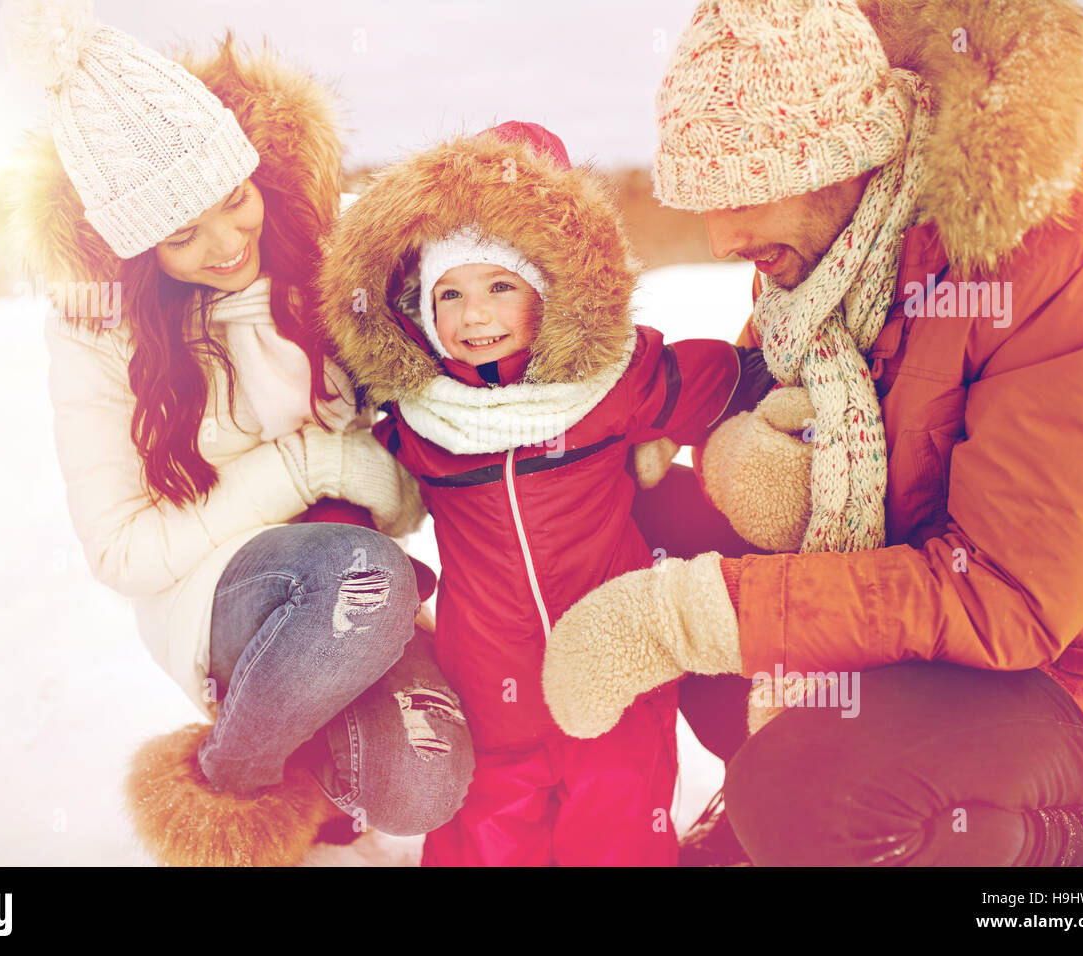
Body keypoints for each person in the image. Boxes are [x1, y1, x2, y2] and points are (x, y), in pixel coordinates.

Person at [546, 0, 1083, 866]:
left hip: (1073, 667)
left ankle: (1068, 860)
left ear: (844, 159)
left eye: (747, 193)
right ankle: (772, 791)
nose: (724, 237)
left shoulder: (1075, 254)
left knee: (803, 795)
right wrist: (658, 436)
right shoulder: (831, 258)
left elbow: (1007, 603)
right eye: (707, 201)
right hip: (910, 600)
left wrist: (688, 616)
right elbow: (760, 406)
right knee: (629, 520)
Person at [2, 0, 473, 866]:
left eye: (234, 199)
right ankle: (234, 775)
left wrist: (362, 470)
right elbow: (122, 554)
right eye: (181, 235)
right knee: (361, 573)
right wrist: (305, 465)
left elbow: (406, 487)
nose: (226, 244)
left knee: (425, 782)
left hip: (360, 566)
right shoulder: (98, 331)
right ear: (138, 250)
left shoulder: (329, 276)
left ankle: (318, 748)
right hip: (213, 591)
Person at [315, 120, 774, 865]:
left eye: (501, 286)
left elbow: (724, 380)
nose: (475, 315)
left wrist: (786, 385)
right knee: (494, 837)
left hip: (615, 672)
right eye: (450, 294)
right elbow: (365, 484)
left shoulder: (613, 381)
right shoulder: (427, 420)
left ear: (550, 291)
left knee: (618, 833)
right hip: (491, 685)